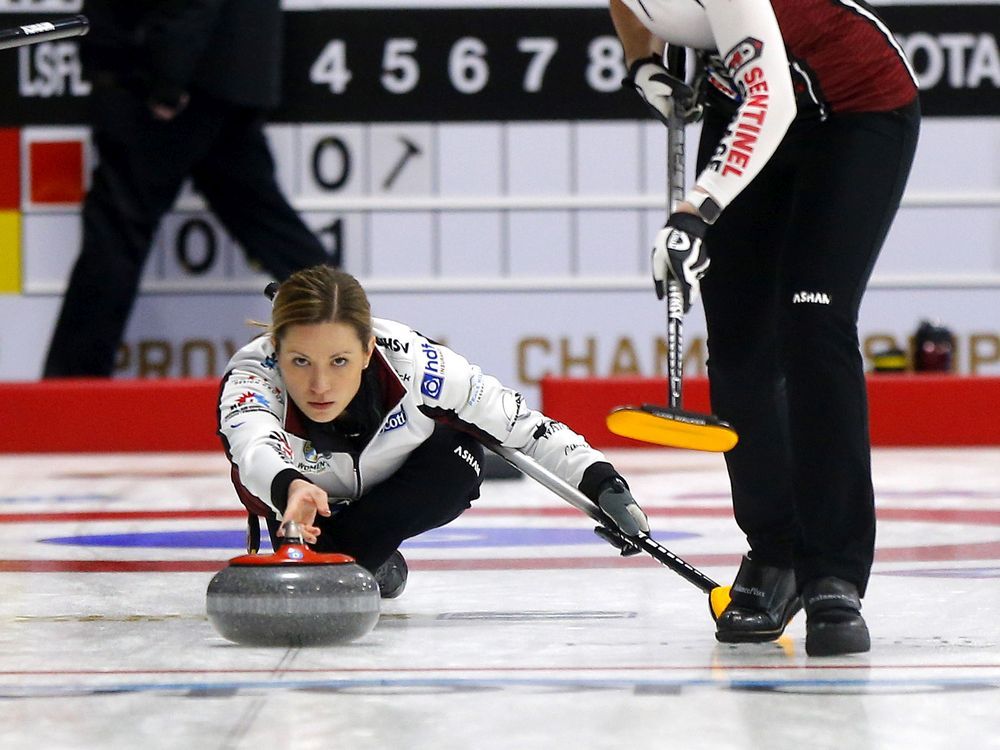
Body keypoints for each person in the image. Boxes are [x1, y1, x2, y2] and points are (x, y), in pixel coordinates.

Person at [609, 0, 920, 655]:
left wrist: (696, 211)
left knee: (814, 321)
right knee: (739, 342)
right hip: (743, 102)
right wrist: (644, 66)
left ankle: (833, 571)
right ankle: (775, 552)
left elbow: (770, 100)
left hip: (853, 109)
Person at [217, 264, 650, 598]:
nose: (320, 385)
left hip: (388, 492)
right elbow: (253, 447)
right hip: (294, 499)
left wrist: (604, 484)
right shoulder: (253, 374)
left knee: (458, 455)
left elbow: (524, 429)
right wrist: (290, 486)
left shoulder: (422, 366)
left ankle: (355, 554)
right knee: (264, 480)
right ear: (276, 349)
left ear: (368, 350)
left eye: (339, 361)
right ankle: (362, 559)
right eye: (300, 362)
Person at [43, 0, 330, 377]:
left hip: (174, 80)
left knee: (114, 234)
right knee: (270, 227)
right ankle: (356, 356)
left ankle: (69, 393)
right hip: (220, 73)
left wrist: (166, 79)